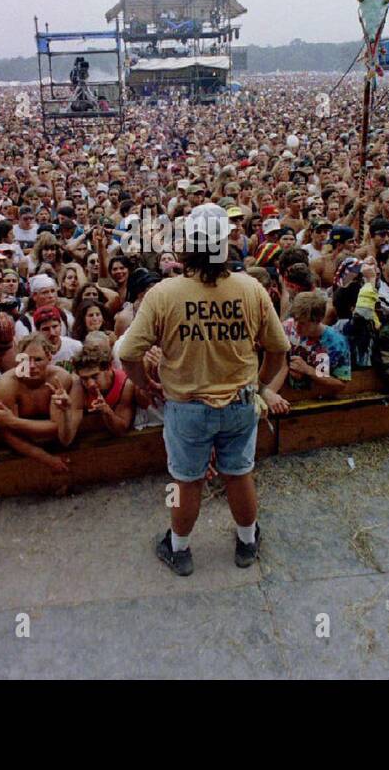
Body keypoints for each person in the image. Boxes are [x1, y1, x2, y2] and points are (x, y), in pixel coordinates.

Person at [118, 204, 289, 576]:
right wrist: (259, 384)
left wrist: (145, 383)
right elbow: (278, 349)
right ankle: (246, 542)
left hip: (187, 407)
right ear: (225, 244)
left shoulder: (164, 293)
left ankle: (179, 550)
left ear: (187, 245)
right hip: (241, 403)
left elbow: (126, 352)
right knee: (239, 473)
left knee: (187, 480)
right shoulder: (251, 288)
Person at [0, 332, 74, 471]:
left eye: (38, 359)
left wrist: (13, 421)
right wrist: (48, 459)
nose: (32, 366)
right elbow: (8, 434)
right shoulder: (6, 385)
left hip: (58, 440)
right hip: (23, 444)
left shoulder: (60, 378)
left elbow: (57, 427)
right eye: (26, 360)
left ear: (49, 357)